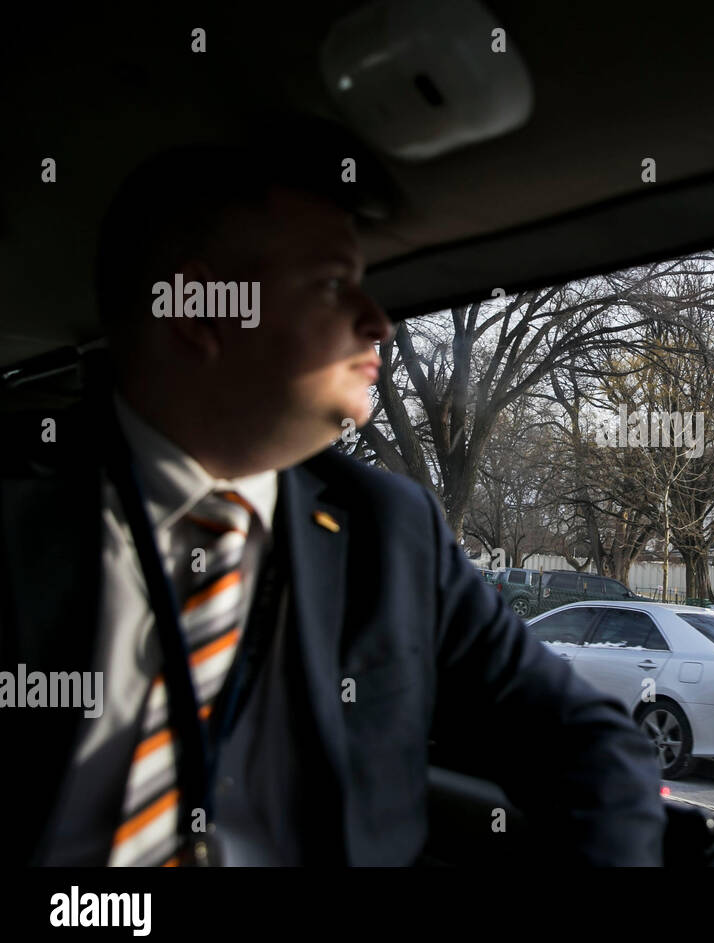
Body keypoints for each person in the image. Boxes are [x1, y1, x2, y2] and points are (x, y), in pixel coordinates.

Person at [0, 126, 666, 866]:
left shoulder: (393, 531)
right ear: (197, 308)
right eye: (329, 284)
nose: (377, 320)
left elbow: (590, 748)